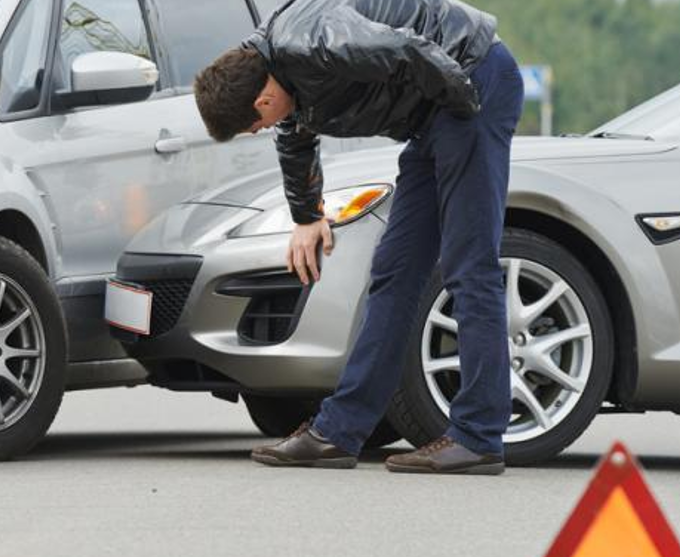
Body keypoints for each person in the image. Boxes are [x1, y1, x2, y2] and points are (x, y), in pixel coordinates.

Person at [194, 0, 524, 474]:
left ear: (261, 101)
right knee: (395, 269)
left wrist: (466, 113)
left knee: (469, 264)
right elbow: (294, 132)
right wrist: (307, 216)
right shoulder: (272, 67)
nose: (261, 130)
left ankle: (478, 436)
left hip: (470, 83)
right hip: (437, 113)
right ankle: (339, 432)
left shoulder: (319, 39)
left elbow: (409, 50)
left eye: (254, 126)